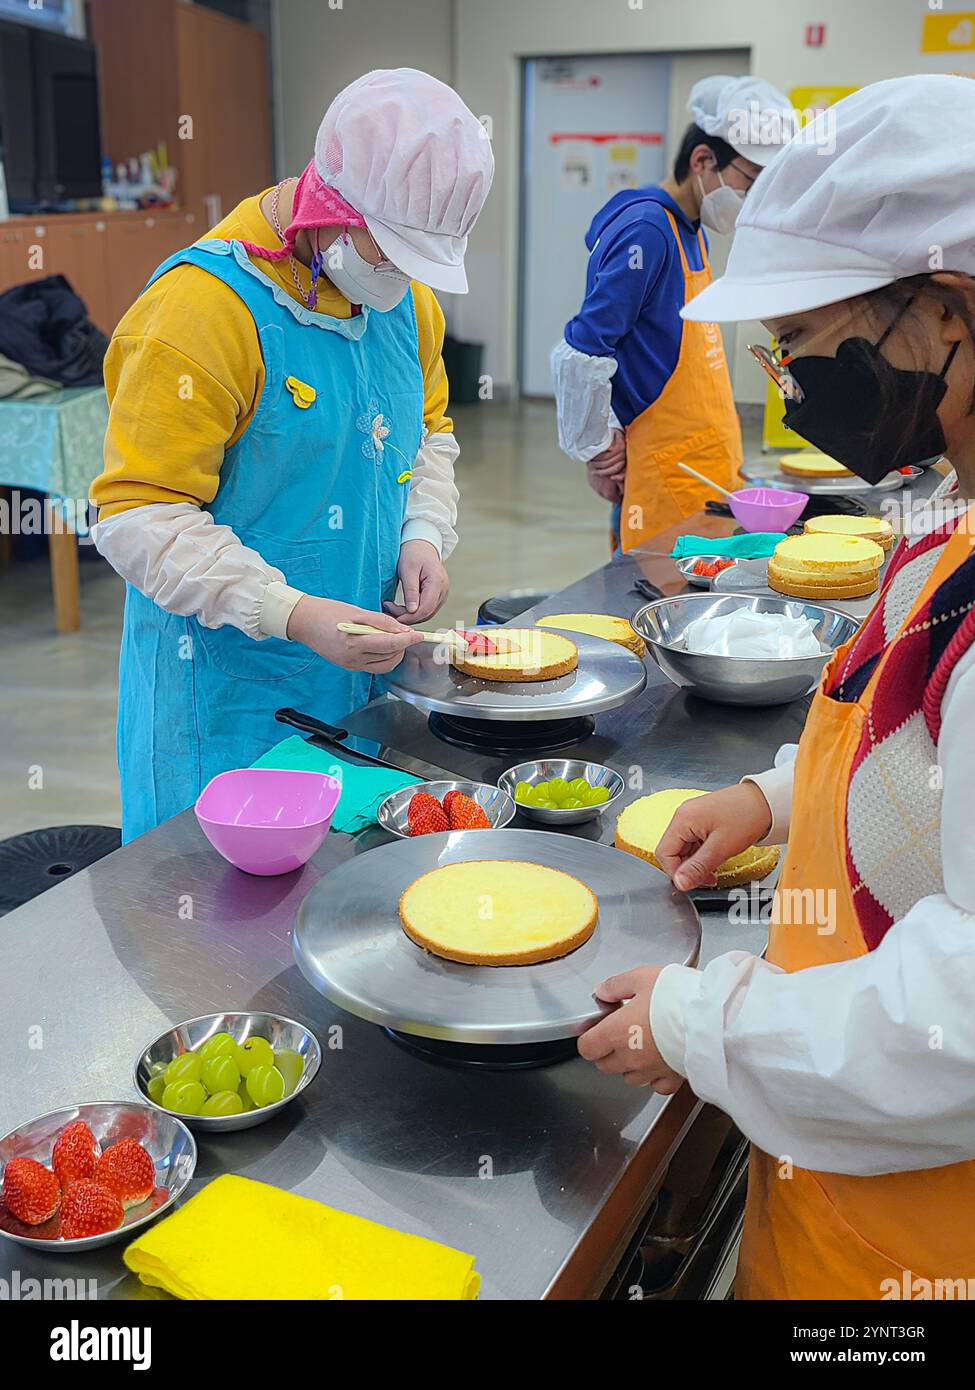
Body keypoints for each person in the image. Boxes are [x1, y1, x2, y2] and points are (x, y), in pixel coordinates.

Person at [577, 74, 975, 1300]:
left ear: (945, 312)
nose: (789, 381)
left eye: (802, 339)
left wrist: (699, 1025)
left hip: (921, 1250)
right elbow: (915, 760)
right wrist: (773, 796)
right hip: (835, 1194)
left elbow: (960, 1025)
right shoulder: (945, 515)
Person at [90, 69, 493, 841]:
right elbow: (139, 515)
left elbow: (428, 431)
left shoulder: (406, 303)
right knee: (212, 900)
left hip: (356, 684)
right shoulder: (199, 313)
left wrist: (421, 533)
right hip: (228, 697)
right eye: (390, 251)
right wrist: (291, 613)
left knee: (344, 874)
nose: (400, 275)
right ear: (327, 208)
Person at [551, 75, 793, 552]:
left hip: (703, 469)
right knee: (656, 585)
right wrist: (597, 446)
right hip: (664, 478)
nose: (753, 200)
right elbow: (584, 348)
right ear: (702, 160)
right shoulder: (647, 230)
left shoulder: (692, 229)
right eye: (750, 181)